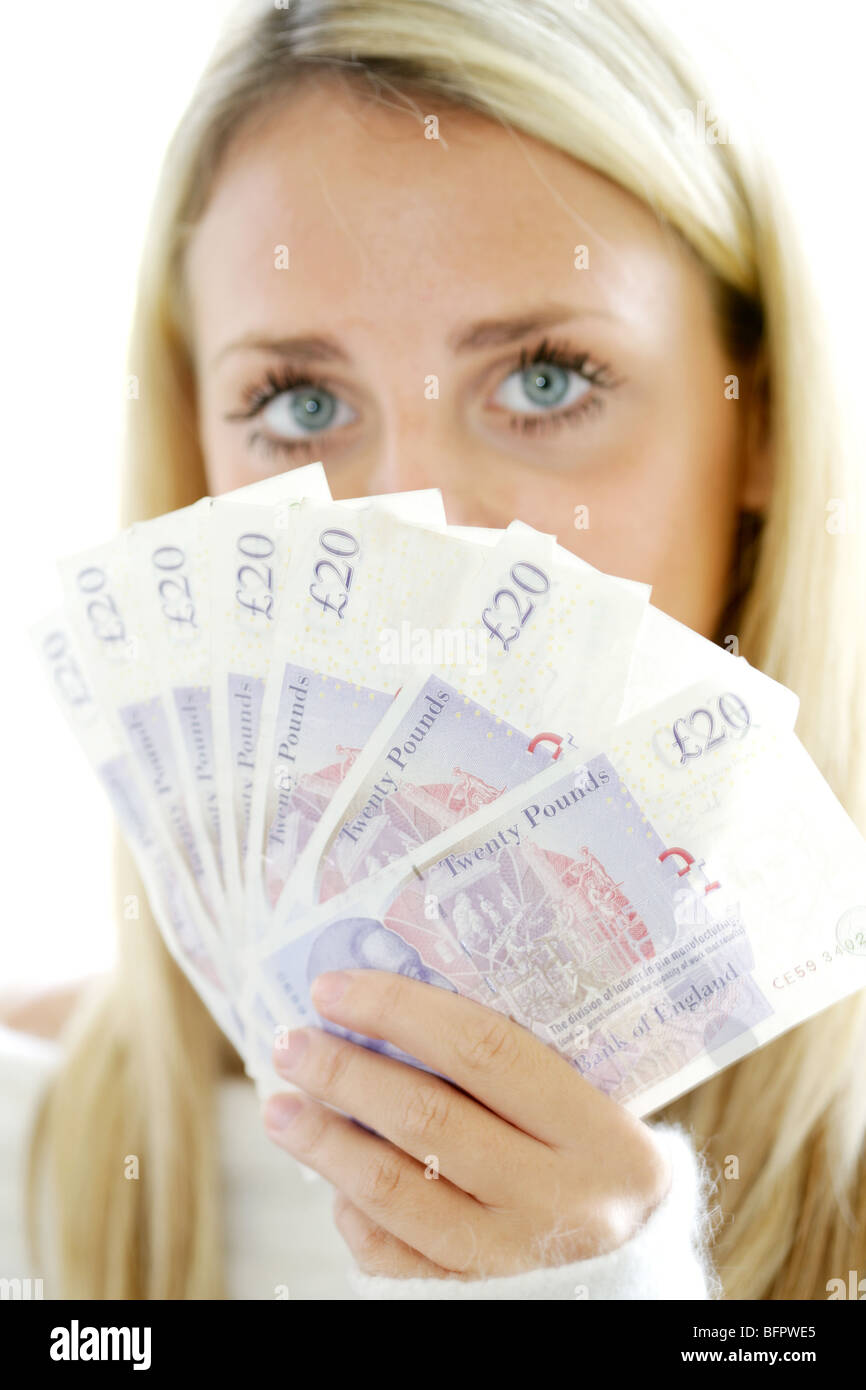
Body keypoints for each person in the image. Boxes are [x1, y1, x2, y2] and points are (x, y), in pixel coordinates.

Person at [3, 0, 865, 1300]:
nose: (423, 533)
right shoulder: (27, 1144)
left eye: (544, 379)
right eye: (299, 403)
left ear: (758, 427)